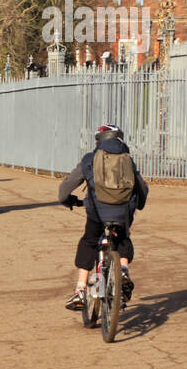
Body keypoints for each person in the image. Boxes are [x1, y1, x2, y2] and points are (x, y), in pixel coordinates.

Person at [58, 124, 149, 311]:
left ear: (99, 140)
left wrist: (70, 201)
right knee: (123, 238)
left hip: (97, 213)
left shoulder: (90, 159)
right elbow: (142, 189)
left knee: (89, 241)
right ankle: (123, 272)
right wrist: (137, 205)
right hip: (123, 212)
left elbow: (65, 189)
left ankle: (81, 289)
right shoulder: (128, 161)